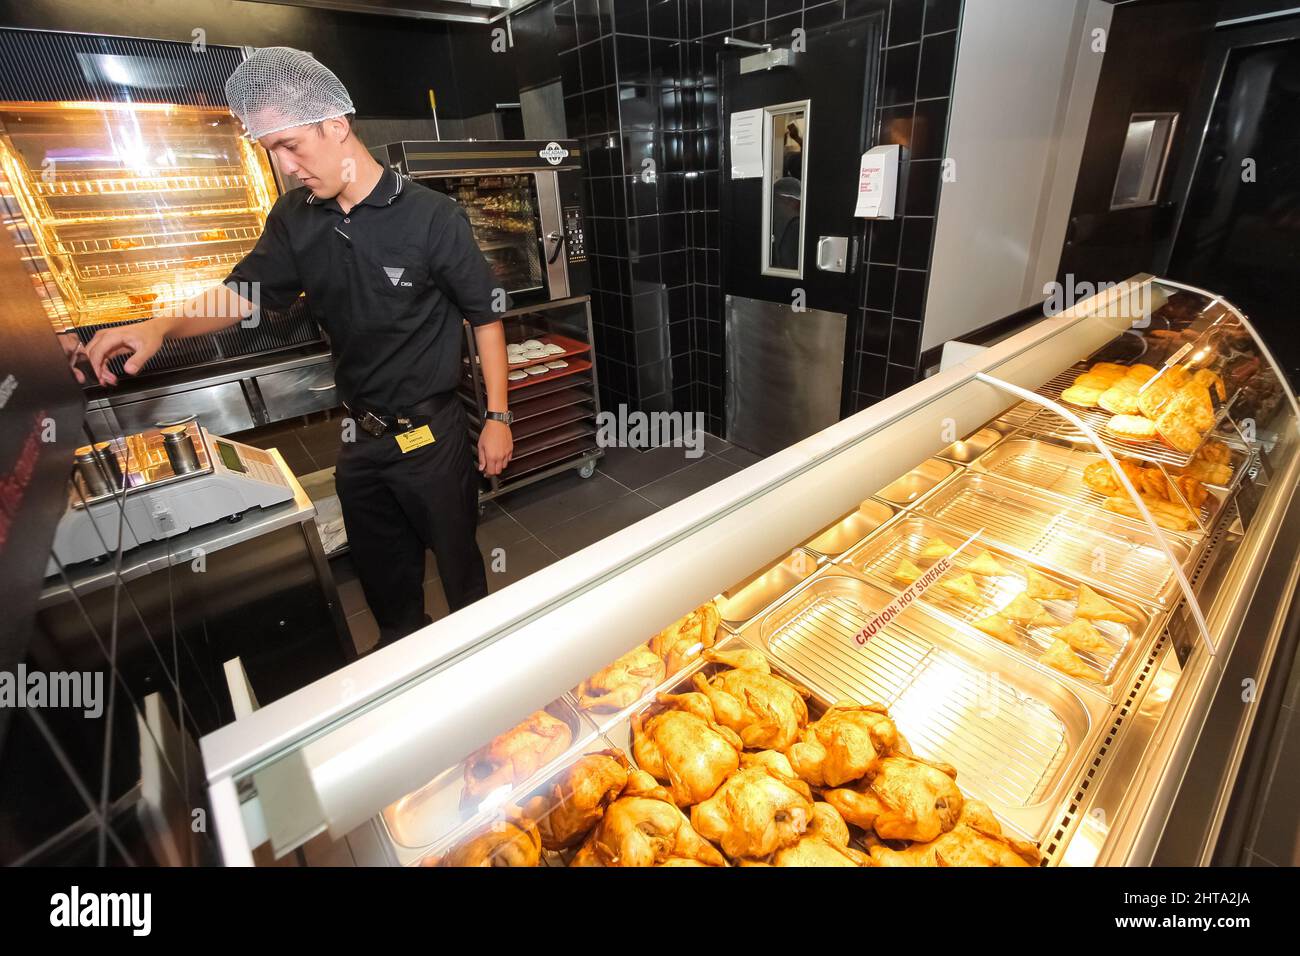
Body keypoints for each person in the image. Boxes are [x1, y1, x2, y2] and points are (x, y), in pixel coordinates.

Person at [81, 47, 514, 649]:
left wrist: (496, 417)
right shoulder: (295, 216)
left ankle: (489, 669)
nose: (285, 166)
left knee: (462, 574)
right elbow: (242, 296)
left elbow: (484, 317)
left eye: (290, 146)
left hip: (431, 435)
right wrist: (160, 327)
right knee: (386, 588)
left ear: (335, 126)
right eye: (272, 151)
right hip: (361, 439)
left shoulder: (431, 218)